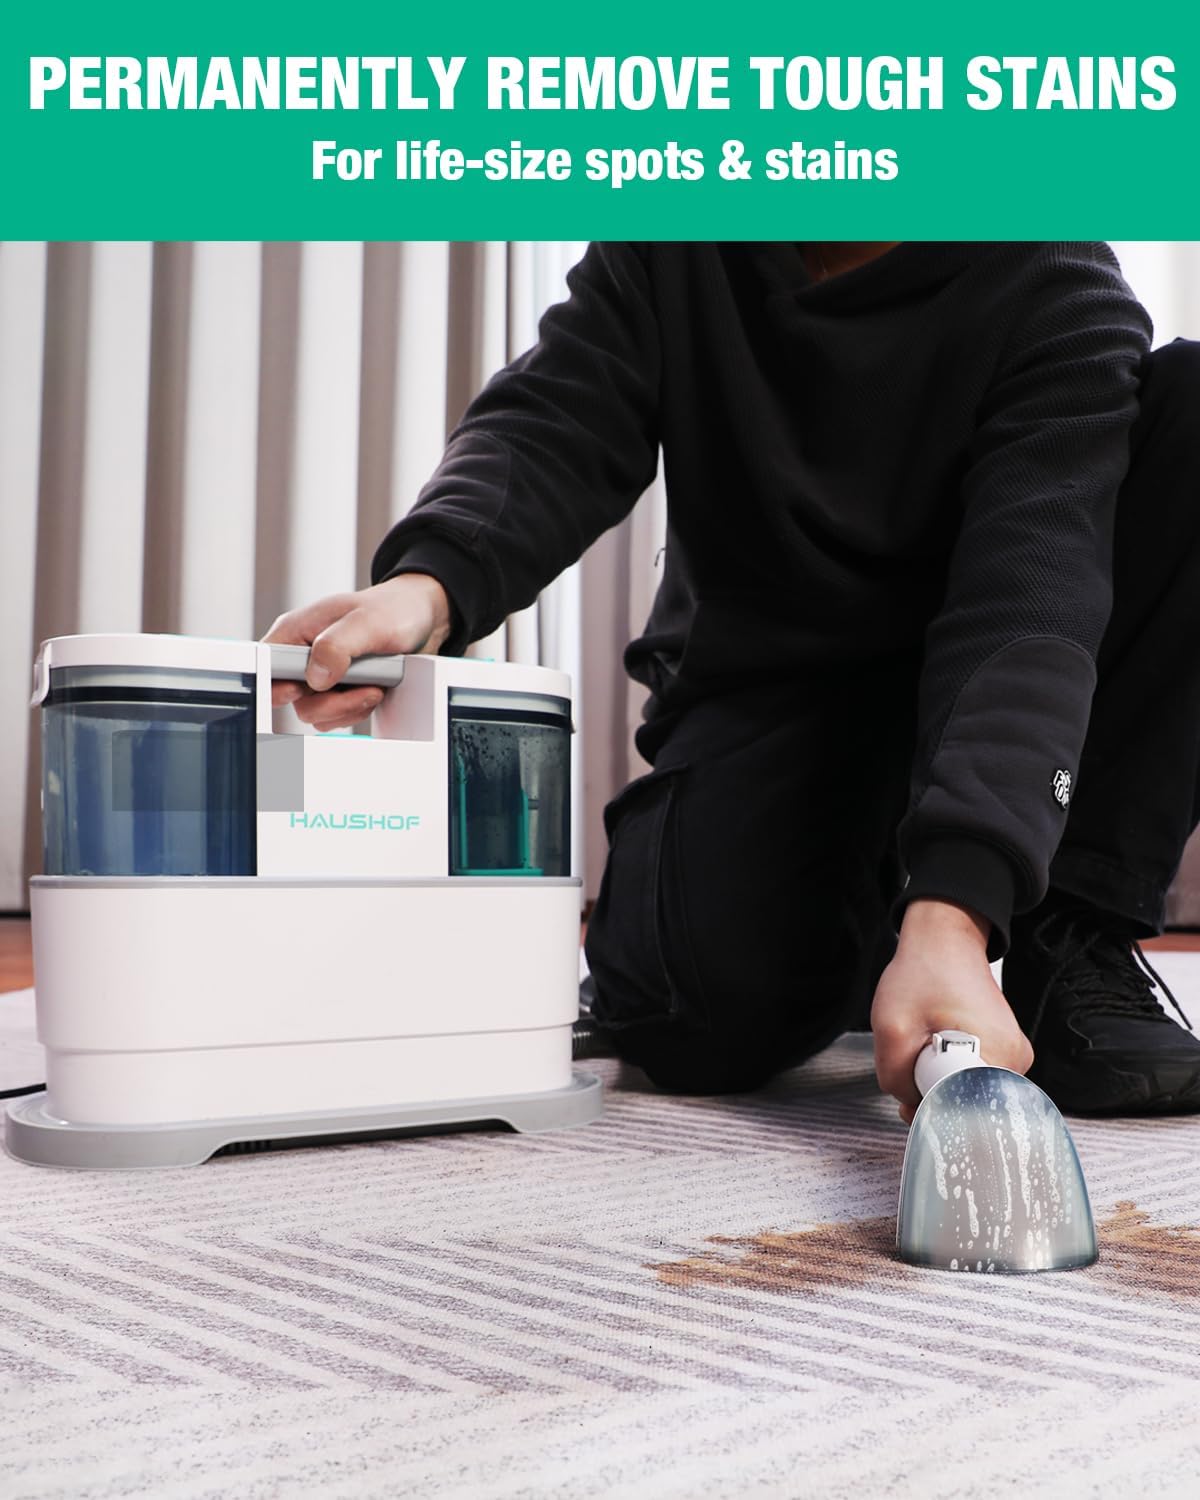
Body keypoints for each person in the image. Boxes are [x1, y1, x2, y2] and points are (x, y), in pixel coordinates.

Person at [265, 241, 1200, 1123]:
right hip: (775, 701)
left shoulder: (1050, 274)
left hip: (978, 690)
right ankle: (874, 924)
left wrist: (958, 910)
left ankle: (1056, 925)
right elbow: (556, 416)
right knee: (695, 1023)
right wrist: (428, 590)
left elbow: (1027, 604)